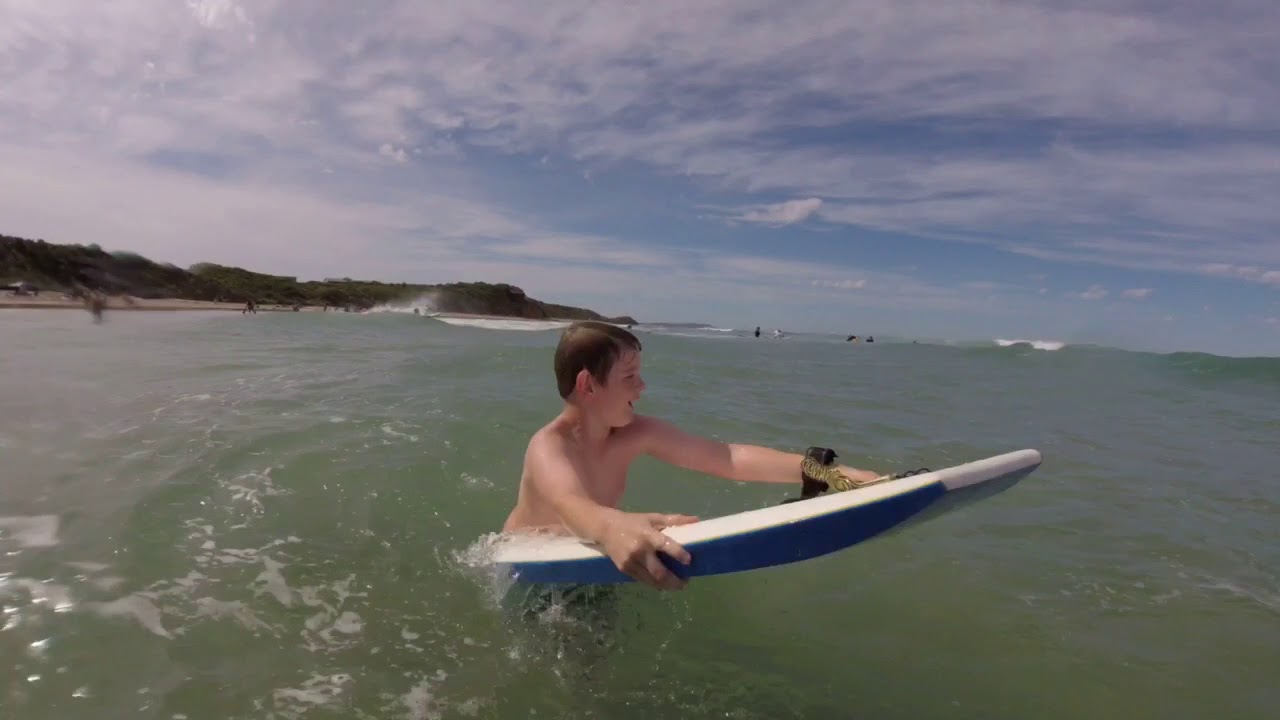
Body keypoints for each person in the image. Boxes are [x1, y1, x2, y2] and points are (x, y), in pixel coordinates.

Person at [502, 321, 885, 591]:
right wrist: (611, 528)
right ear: (588, 385)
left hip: (598, 553)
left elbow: (727, 458)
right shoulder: (548, 446)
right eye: (630, 377)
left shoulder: (637, 433)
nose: (643, 386)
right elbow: (568, 501)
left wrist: (828, 473)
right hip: (528, 568)